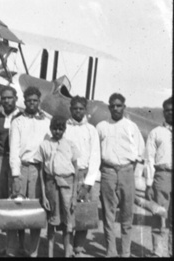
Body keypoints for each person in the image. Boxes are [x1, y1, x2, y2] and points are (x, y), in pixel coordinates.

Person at [96, 93, 145, 257]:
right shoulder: (101, 126)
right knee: (108, 215)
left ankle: (125, 252)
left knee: (127, 215)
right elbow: (96, 153)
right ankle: (111, 251)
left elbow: (139, 152)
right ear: (109, 107)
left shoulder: (131, 126)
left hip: (126, 172)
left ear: (124, 107)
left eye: (119, 105)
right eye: (113, 105)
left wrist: (128, 170)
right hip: (108, 172)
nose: (115, 108)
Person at [9, 86, 50, 257]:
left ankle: (32, 251)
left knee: (35, 210)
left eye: (35, 100)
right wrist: (16, 175)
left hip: (38, 170)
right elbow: (14, 149)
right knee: (16, 209)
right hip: (21, 167)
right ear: (24, 102)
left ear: (39, 102)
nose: (32, 103)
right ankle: (14, 249)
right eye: (29, 101)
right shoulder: (17, 121)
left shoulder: (46, 122)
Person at [36, 116, 80, 257]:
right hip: (51, 185)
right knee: (52, 221)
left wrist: (74, 196)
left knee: (68, 221)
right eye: (55, 129)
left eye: (60, 129)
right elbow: (42, 172)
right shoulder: (44, 145)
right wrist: (44, 196)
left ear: (64, 130)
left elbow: (76, 171)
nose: (57, 131)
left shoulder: (70, 145)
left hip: (67, 185)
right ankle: (50, 253)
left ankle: (67, 253)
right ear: (50, 129)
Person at [0, 86, 22, 256]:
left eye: (10, 98)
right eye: (4, 98)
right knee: (2, 201)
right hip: (0, 159)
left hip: (16, 162)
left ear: (16, 98)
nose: (7, 101)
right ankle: (9, 245)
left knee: (17, 200)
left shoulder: (22, 117)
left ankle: (18, 246)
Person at [64, 96, 101, 257]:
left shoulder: (91, 130)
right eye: (75, 108)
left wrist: (88, 183)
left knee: (84, 211)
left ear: (85, 110)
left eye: (81, 109)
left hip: (85, 174)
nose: (78, 111)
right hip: (68, 174)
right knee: (68, 209)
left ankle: (79, 247)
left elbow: (95, 156)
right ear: (70, 109)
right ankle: (68, 246)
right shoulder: (64, 127)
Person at [145, 97, 172, 257]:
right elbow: (149, 159)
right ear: (164, 112)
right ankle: (157, 252)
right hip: (162, 176)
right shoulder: (156, 133)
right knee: (159, 215)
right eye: (168, 110)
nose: (171, 113)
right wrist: (149, 184)